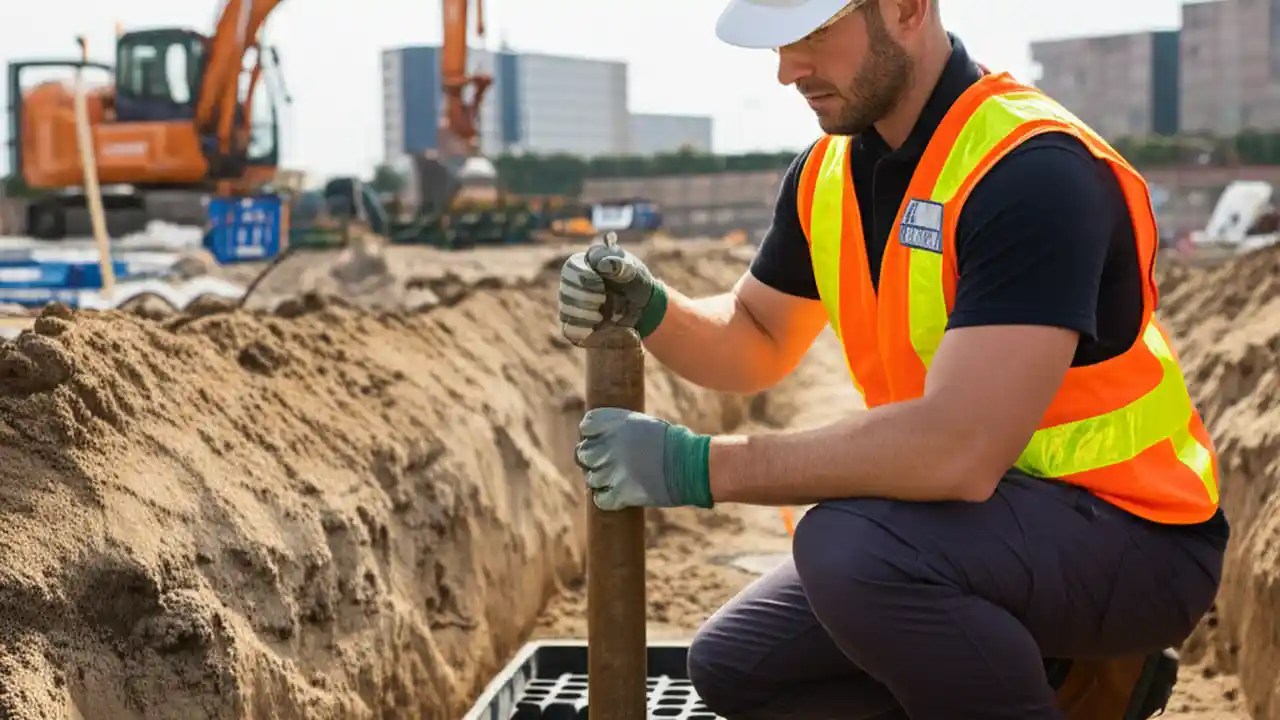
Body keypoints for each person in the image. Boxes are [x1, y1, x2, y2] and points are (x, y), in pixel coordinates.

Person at [557, 0, 1230, 717]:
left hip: (1133, 539)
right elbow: (756, 334)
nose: (788, 71)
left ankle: (1077, 671)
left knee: (851, 551)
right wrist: (653, 309)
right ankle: (1061, 684)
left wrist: (697, 467)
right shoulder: (830, 173)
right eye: (779, 45)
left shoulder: (1033, 172)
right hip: (989, 529)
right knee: (738, 664)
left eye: (812, 34)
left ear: (907, 7)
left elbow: (957, 450)